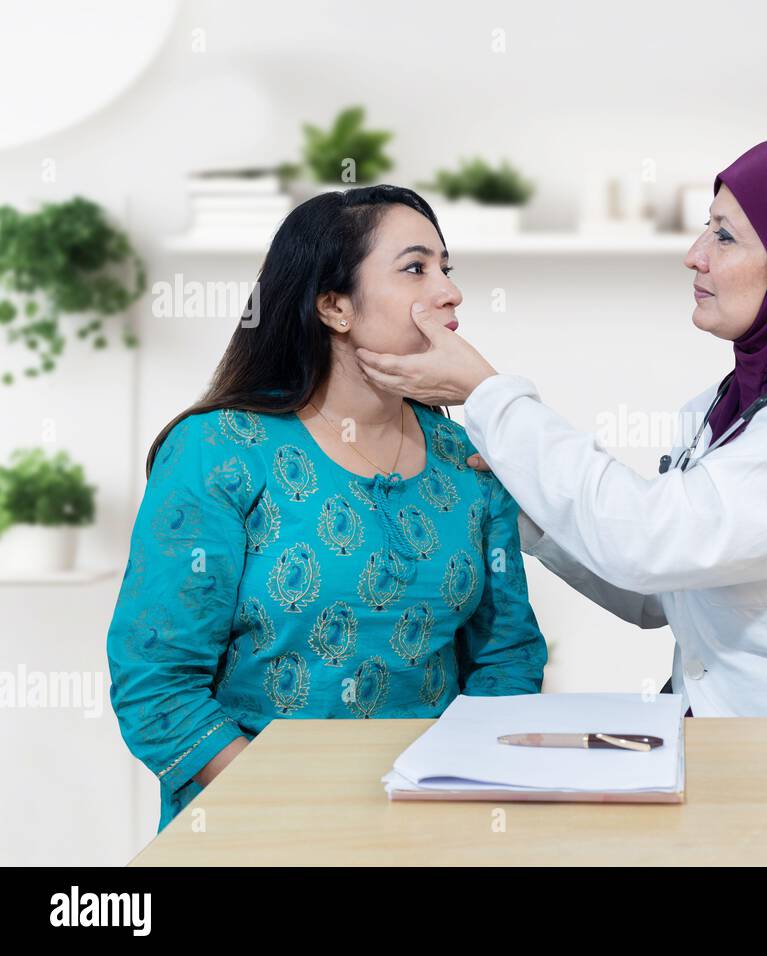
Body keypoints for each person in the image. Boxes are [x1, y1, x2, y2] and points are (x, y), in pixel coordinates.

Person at [354, 140, 767, 720]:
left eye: (725, 236)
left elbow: (654, 543)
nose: (695, 255)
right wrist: (523, 504)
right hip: (755, 752)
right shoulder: (726, 410)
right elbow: (664, 593)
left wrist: (488, 395)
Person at [106, 185, 547, 831]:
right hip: (257, 826)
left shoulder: (467, 456)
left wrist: (454, 796)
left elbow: (506, 657)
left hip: (430, 829)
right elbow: (157, 684)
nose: (450, 292)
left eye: (447, 268)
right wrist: (302, 813)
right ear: (334, 305)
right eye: (416, 267)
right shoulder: (221, 449)